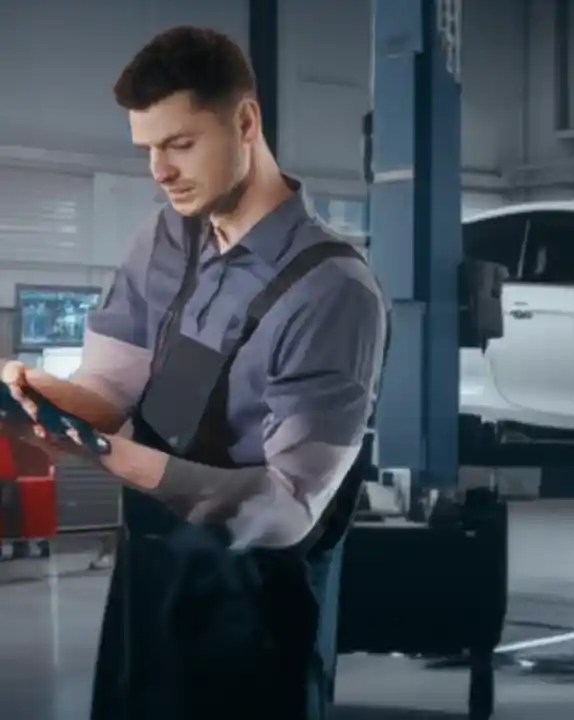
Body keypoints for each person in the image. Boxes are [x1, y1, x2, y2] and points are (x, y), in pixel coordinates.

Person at [1, 26, 387, 719]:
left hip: (257, 617)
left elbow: (286, 510)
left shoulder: (334, 292)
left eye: (180, 145)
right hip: (148, 589)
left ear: (245, 121)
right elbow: (109, 391)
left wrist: (114, 456)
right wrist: (36, 402)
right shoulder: (163, 237)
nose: (160, 170)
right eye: (148, 149)